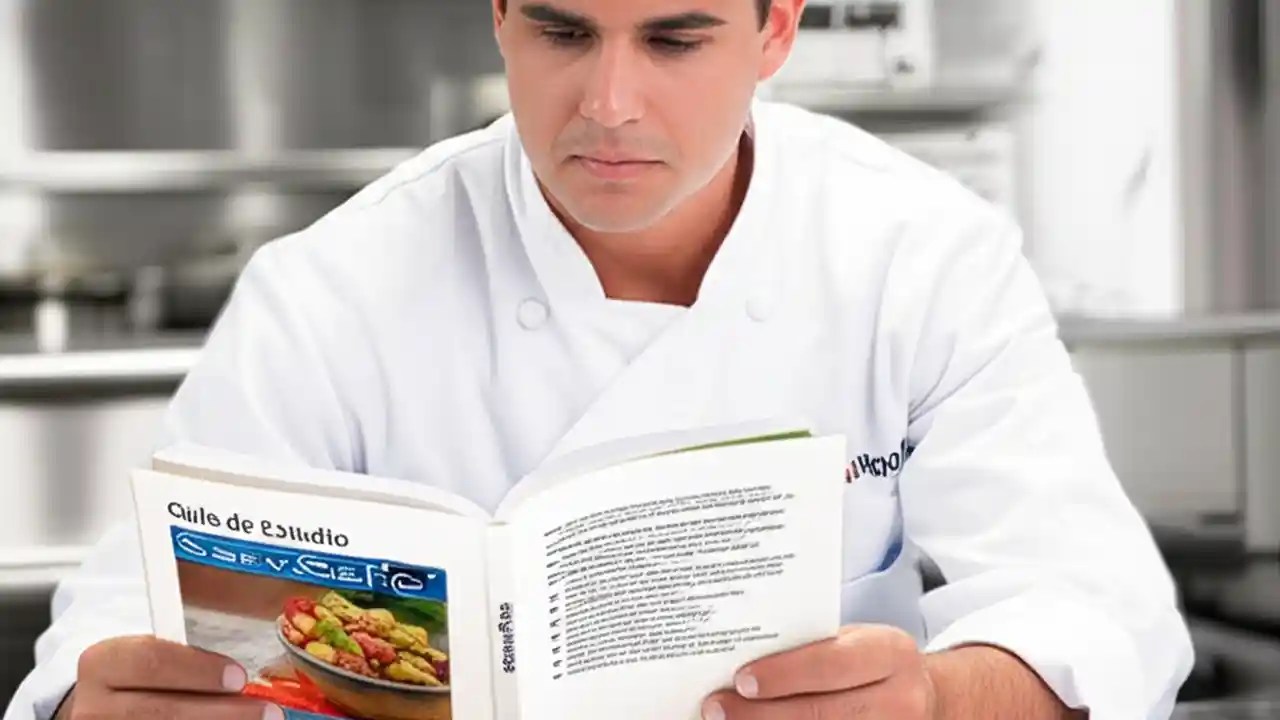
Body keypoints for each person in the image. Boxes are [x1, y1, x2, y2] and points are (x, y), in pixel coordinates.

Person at [7, 1, 1193, 718]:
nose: (609, 103)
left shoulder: (919, 256)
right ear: (499, 16)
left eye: (674, 38)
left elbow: (1092, 614)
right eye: (563, 32)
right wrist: (114, 696)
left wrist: (930, 698)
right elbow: (110, 633)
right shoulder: (331, 288)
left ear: (775, 29)